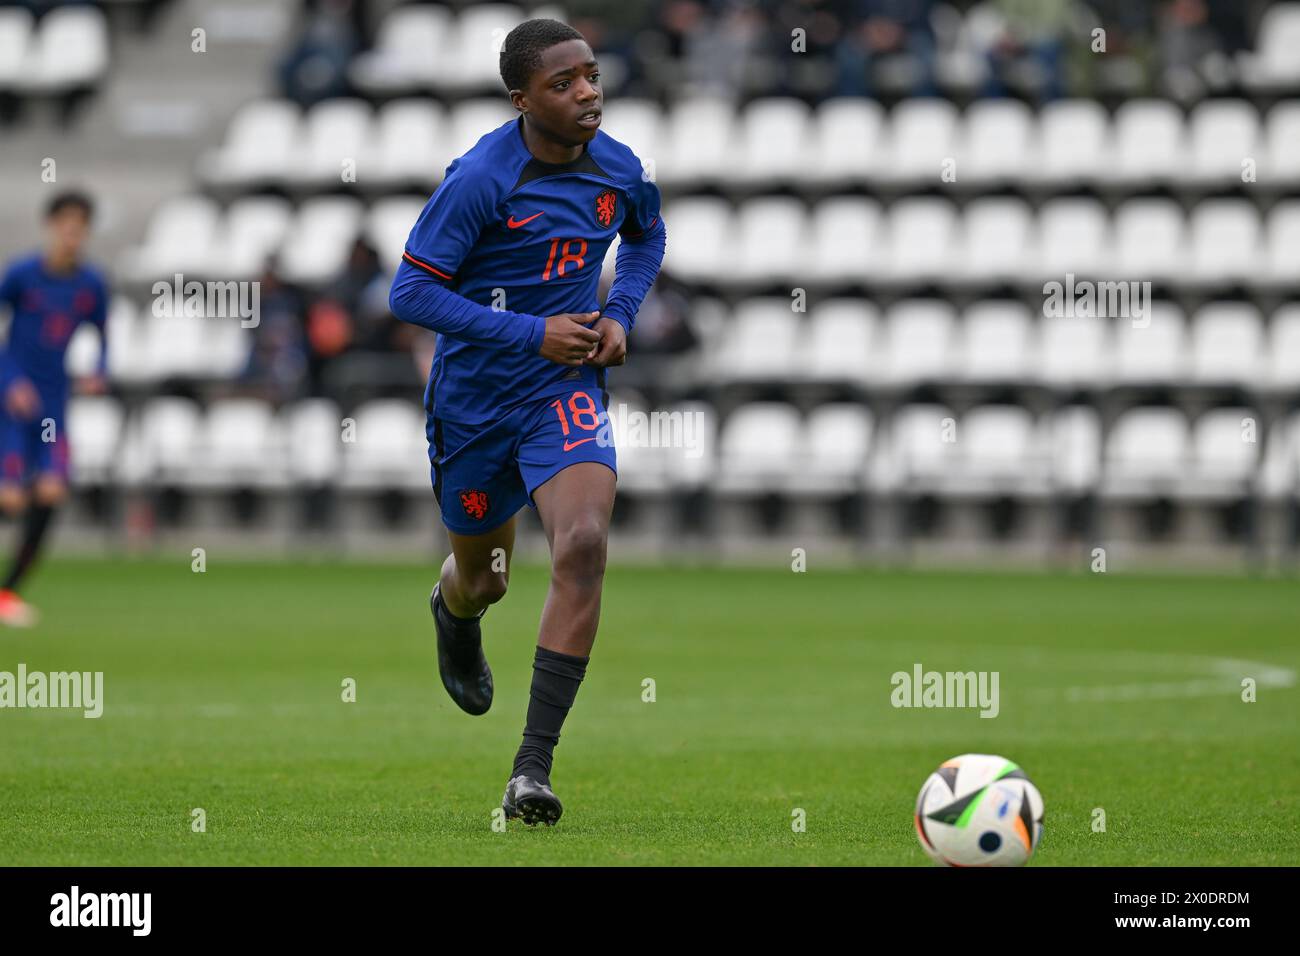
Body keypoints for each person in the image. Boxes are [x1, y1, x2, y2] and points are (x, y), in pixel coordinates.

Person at [388, 18, 666, 826]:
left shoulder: (621, 170)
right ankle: (454, 610)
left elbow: (646, 237)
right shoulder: (480, 178)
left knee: (582, 542)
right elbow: (409, 294)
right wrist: (528, 329)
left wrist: (619, 310)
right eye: (564, 83)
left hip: (563, 391)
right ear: (522, 100)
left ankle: (531, 771)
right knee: (487, 579)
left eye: (591, 76)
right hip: (473, 407)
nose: (587, 93)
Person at [0, 191, 109, 626]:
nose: (72, 233)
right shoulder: (23, 276)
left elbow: (103, 334)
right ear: (51, 226)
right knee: (8, 499)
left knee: (51, 491)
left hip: (53, 406)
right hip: (12, 404)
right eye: (65, 223)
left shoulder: (90, 284)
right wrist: (9, 380)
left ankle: (7, 593)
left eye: (79, 226)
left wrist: (99, 369)